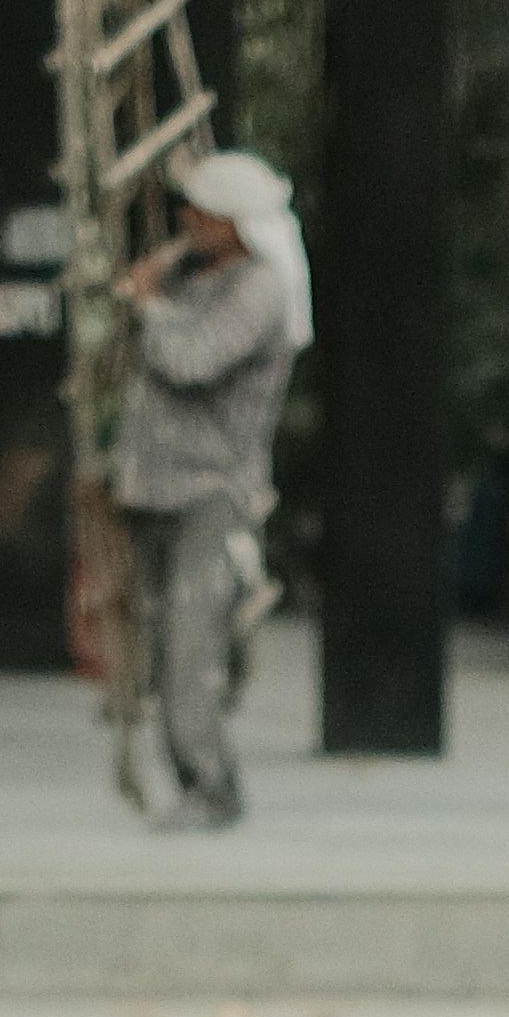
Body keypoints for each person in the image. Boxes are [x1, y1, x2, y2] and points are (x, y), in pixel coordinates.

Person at [114, 151, 304, 830]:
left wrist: (150, 306)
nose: (187, 220)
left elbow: (191, 362)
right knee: (166, 643)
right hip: (157, 487)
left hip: (211, 491)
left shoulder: (257, 289)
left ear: (236, 224)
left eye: (202, 212)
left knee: (191, 648)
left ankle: (211, 786)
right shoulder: (192, 278)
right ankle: (191, 775)